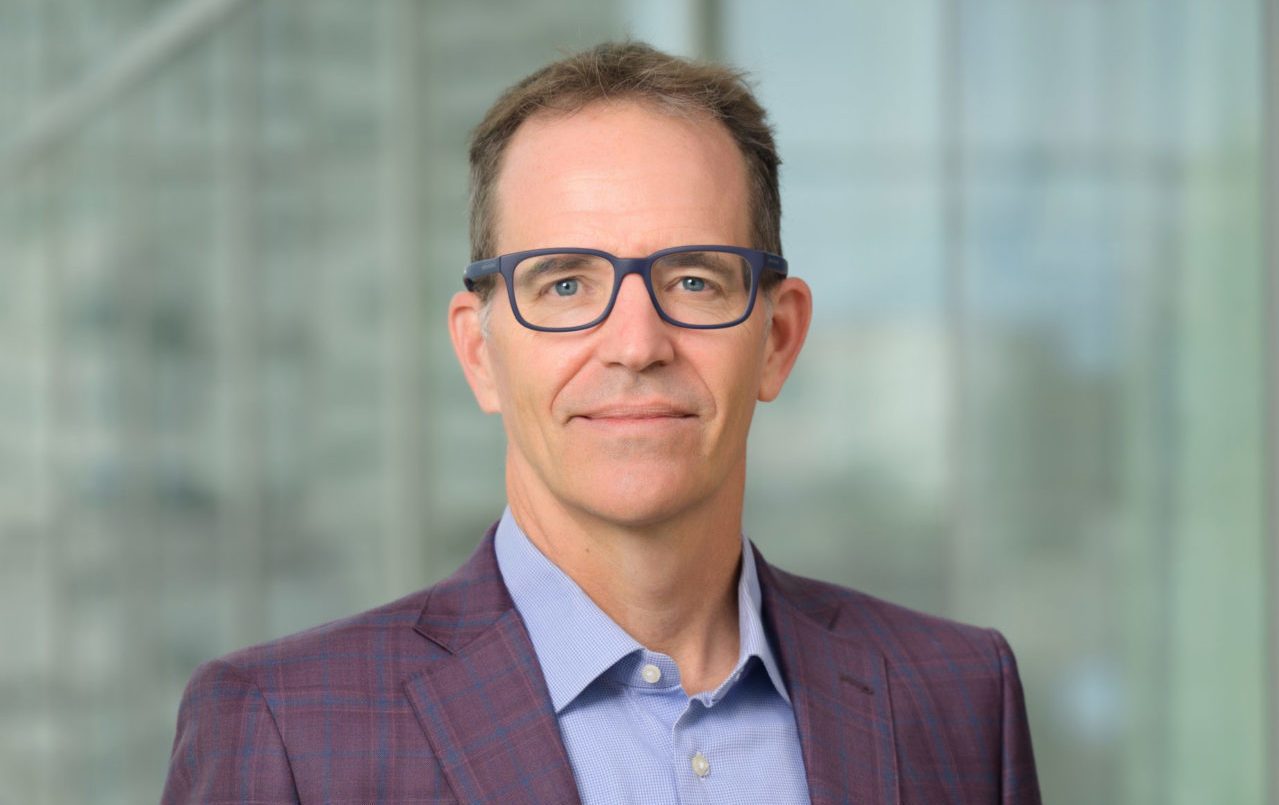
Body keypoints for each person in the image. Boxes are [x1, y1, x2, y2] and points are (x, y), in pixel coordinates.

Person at [162, 41, 1041, 804]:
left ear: (777, 339)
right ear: (478, 352)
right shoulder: (288, 731)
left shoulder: (959, 697)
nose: (635, 344)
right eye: (564, 284)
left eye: (693, 280)